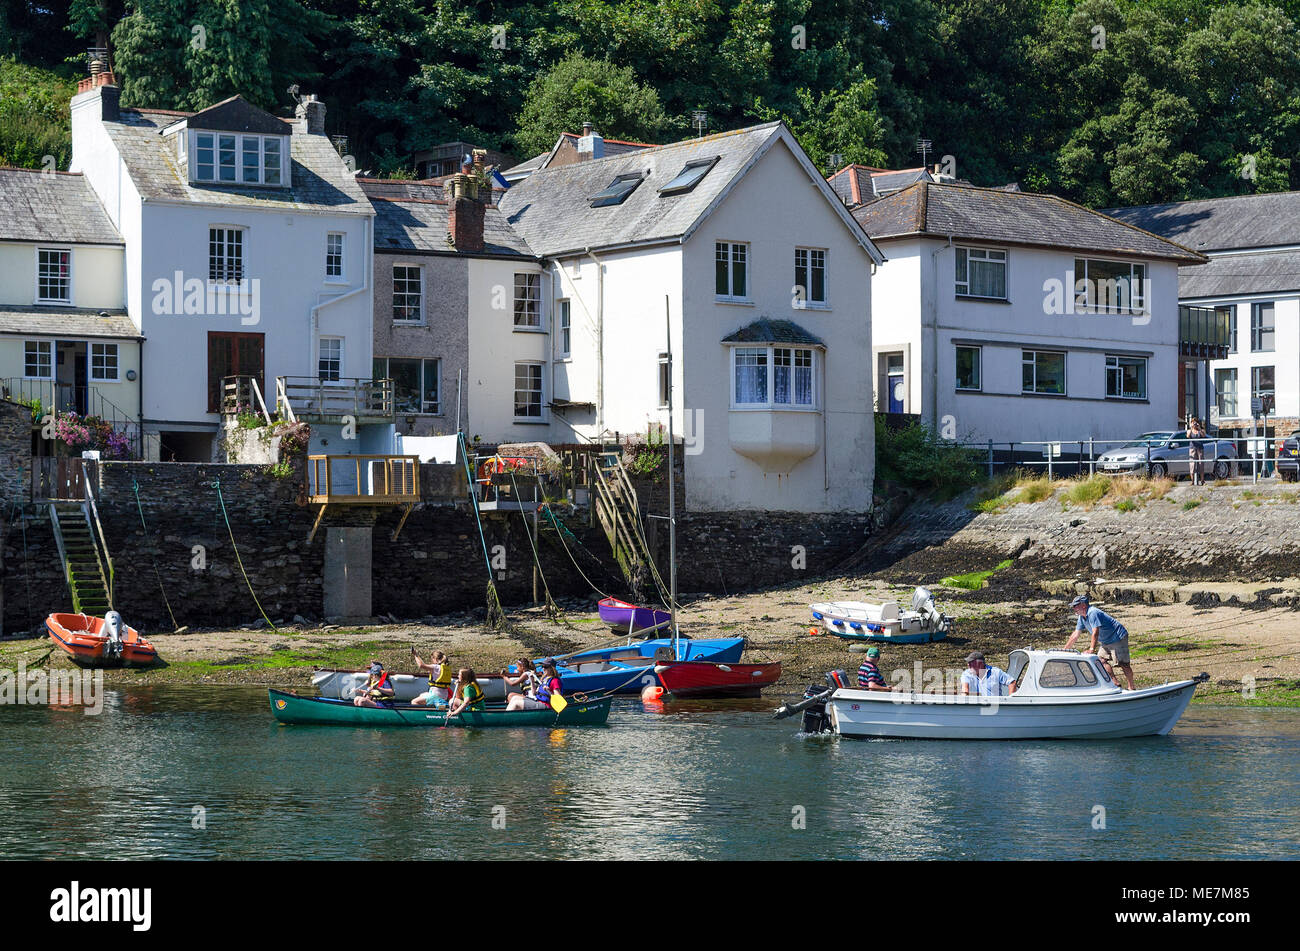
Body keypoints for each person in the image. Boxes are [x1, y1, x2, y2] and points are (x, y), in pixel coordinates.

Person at [1065, 595, 1136, 690]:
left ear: (1083, 605)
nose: (1074, 608)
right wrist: (1065, 649)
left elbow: (1095, 632)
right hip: (1105, 641)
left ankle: (1131, 687)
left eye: (1076, 606)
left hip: (1117, 637)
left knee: (1124, 664)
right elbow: (1075, 634)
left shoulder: (1093, 612)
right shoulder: (1081, 617)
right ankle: (1115, 683)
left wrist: (1091, 649)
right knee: (1100, 661)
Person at [1187, 416, 1206, 486]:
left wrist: (1199, 428)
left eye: (1196, 422)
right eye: (1193, 422)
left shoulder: (1200, 430)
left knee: (1201, 464)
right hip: (1192, 448)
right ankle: (1192, 481)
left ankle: (1202, 480)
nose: (1195, 424)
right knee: (1192, 464)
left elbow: (1204, 435)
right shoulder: (1189, 430)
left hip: (1200, 448)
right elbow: (1188, 436)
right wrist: (1192, 428)